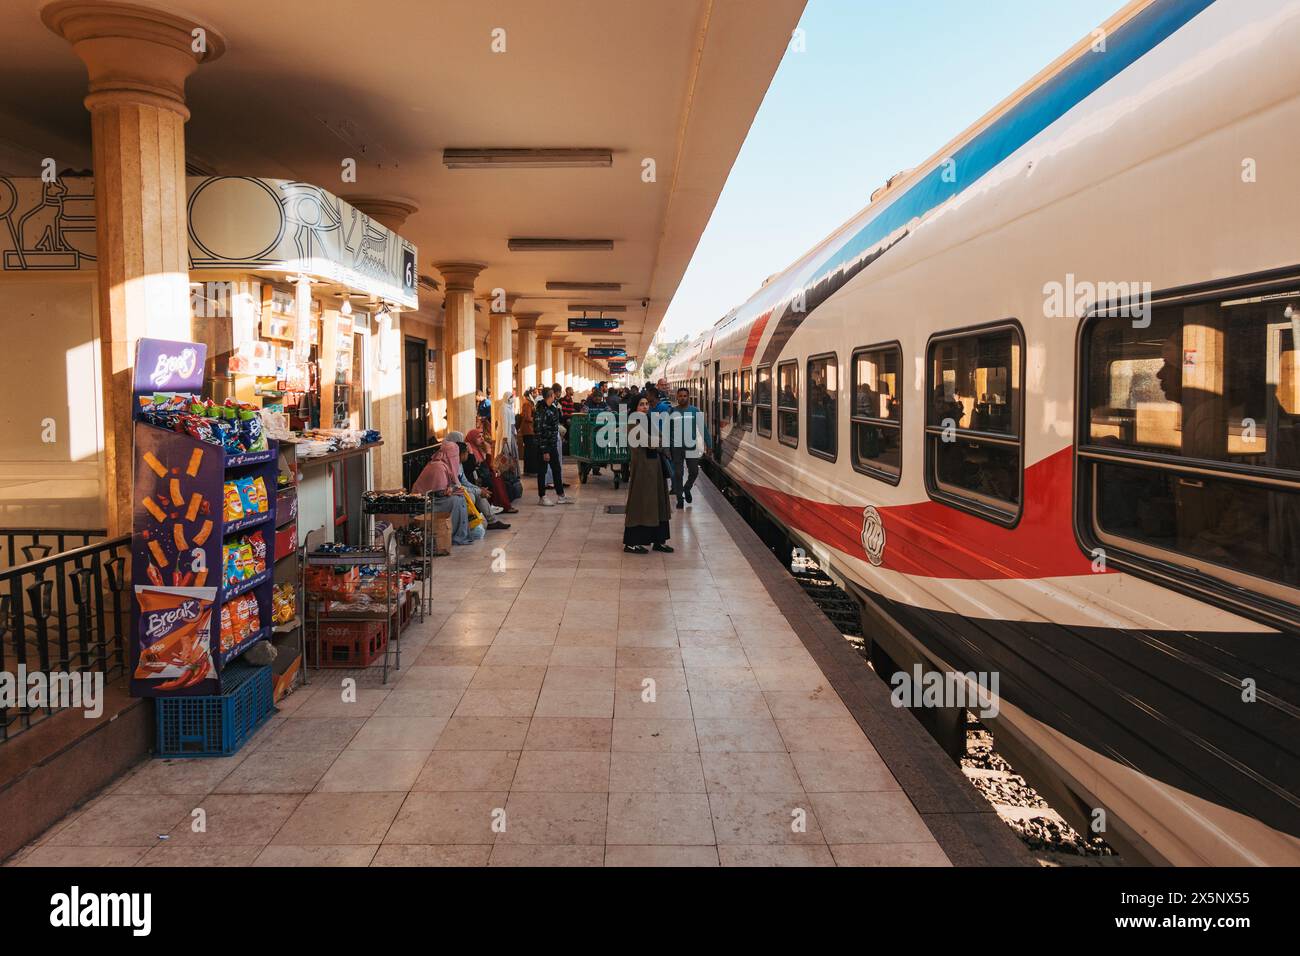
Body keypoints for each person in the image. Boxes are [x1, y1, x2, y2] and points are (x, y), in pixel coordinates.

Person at [623, 396, 672, 554]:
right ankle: (632, 542)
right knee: (640, 503)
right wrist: (660, 441)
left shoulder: (648, 421)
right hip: (643, 469)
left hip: (655, 468)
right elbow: (646, 440)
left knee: (658, 504)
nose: (645, 407)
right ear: (635, 407)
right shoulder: (633, 422)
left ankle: (658, 540)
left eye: (646, 404)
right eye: (641, 405)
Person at [410, 439, 476, 545]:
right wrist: (451, 491)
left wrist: (452, 490)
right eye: (455, 456)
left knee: (459, 498)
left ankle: (458, 534)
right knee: (456, 501)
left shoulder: (444, 465)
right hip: (423, 503)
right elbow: (438, 493)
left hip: (434, 499)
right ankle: (453, 535)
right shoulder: (438, 467)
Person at [669, 386, 709, 508]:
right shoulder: (672, 411)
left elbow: (703, 429)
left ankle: (687, 488)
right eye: (680, 396)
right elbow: (668, 430)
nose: (682, 398)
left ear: (688, 397)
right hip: (676, 448)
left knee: (694, 471)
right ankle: (680, 498)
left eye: (685, 396)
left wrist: (709, 444)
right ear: (677, 397)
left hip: (691, 446)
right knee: (678, 473)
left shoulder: (695, 411)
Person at [534, 387, 573, 506]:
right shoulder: (541, 411)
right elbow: (540, 431)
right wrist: (545, 450)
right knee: (542, 471)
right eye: (553, 395)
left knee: (556, 469)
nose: (555, 397)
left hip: (552, 444)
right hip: (544, 446)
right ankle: (542, 496)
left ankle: (561, 495)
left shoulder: (552, 408)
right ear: (550, 396)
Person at [466, 426, 518, 515]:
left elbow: (486, 462)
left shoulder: (478, 448)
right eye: (479, 437)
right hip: (477, 476)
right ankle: (500, 504)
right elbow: (474, 466)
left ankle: (501, 504)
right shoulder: (470, 449)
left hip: (483, 472)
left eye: (482, 436)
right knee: (495, 478)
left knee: (497, 476)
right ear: (472, 438)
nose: (482, 439)